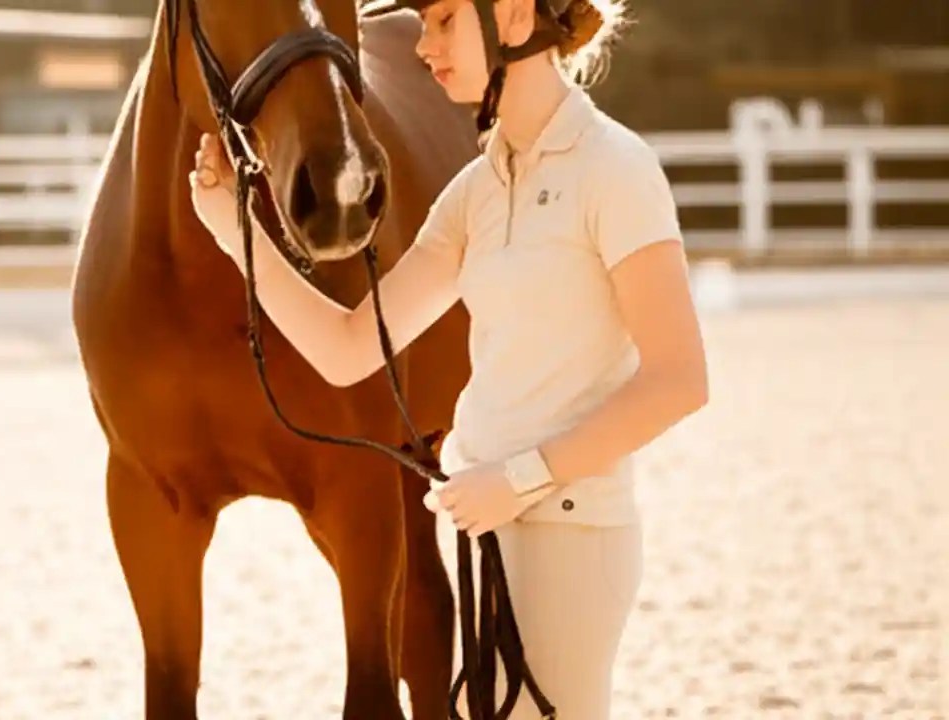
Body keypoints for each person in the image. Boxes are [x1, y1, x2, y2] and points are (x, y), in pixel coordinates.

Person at [189, 0, 709, 716]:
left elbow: (679, 381)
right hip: (490, 529)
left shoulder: (614, 169)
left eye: (443, 21)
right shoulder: (476, 190)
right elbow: (349, 349)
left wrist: (520, 477)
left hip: (572, 531)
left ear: (516, 18)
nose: (421, 47)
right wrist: (232, 230)